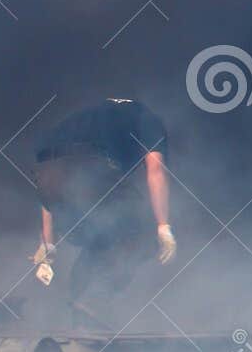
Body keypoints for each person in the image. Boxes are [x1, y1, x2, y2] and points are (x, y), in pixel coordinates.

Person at [30, 98, 176, 315]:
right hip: (88, 166)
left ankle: (77, 304)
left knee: (99, 239)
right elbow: (155, 169)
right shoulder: (150, 122)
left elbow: (50, 178)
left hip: (47, 170)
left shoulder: (88, 115)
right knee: (140, 234)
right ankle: (94, 300)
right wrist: (163, 226)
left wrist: (48, 242)